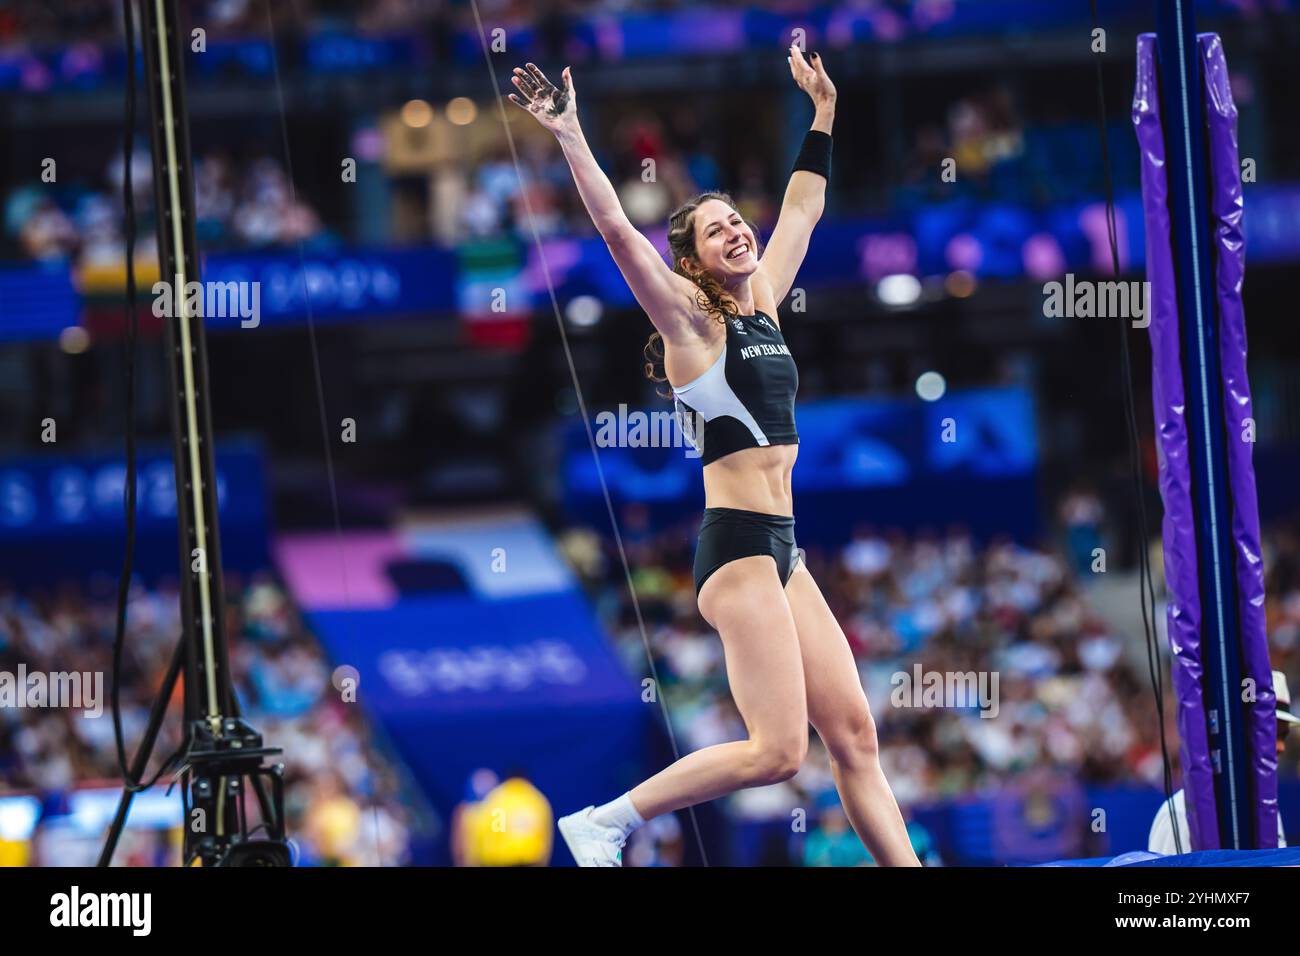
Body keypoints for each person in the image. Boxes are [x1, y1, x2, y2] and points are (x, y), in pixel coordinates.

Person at [507, 49, 920, 867]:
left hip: (784, 549)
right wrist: (571, 135)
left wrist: (824, 115)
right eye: (716, 229)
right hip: (735, 549)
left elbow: (801, 209)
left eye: (737, 220)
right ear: (692, 260)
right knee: (776, 752)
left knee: (855, 735)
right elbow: (621, 236)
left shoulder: (762, 300)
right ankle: (609, 818)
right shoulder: (692, 325)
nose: (738, 231)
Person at [1147, 670, 1298, 854]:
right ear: (1242, 731)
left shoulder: (1267, 808)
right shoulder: (1179, 813)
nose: (1280, 746)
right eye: (1269, 734)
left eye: (1283, 735)